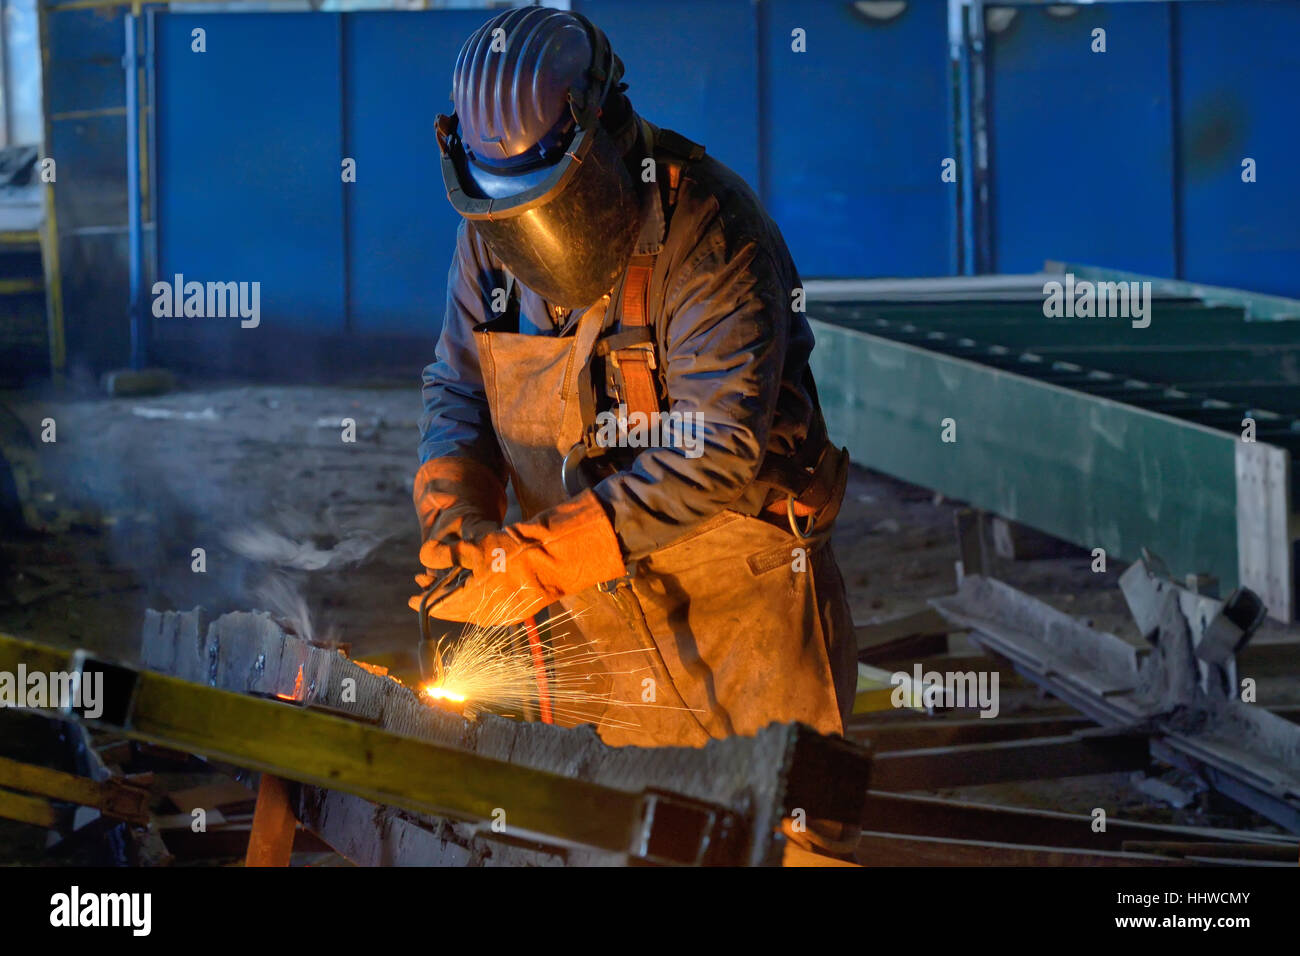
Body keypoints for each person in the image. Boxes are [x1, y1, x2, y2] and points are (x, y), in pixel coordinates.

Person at [413, 6, 856, 748]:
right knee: (615, 832)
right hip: (591, 609)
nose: (522, 234)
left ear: (605, 138)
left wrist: (542, 558)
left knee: (779, 841)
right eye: (504, 211)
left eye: (542, 207)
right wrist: (455, 516)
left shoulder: (712, 231)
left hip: (737, 606)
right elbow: (459, 389)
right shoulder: (490, 233)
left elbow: (717, 448)